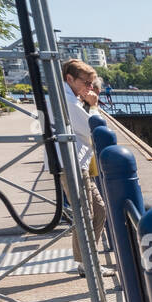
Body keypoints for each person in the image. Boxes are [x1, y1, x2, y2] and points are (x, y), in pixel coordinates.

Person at [62, 59, 105, 273]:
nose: (90, 87)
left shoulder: (74, 98)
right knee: (86, 215)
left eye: (92, 83)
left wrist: (87, 103)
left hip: (80, 162)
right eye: (86, 82)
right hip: (72, 164)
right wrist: (94, 106)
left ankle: (86, 261)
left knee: (97, 211)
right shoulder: (67, 102)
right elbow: (92, 130)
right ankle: (88, 264)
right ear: (69, 79)